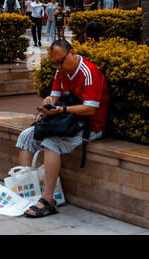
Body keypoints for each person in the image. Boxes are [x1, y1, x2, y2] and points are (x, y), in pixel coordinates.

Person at [15, 39, 108, 217]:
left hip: (90, 126)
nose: (58, 66)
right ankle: (27, 190)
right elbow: (54, 96)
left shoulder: (89, 72)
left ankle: (48, 200)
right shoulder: (61, 71)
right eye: (54, 63)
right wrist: (49, 102)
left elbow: (90, 108)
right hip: (66, 122)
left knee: (51, 143)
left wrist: (61, 109)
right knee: (26, 136)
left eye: (61, 61)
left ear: (72, 53)